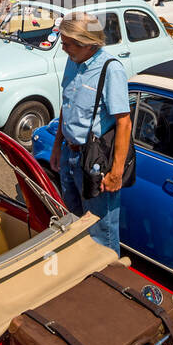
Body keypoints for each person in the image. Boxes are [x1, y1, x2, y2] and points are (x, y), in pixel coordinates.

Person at [48, 13, 132, 253]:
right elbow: (67, 105)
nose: (63, 48)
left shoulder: (110, 69)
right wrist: (57, 147)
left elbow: (124, 122)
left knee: (101, 233)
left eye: (67, 44)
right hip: (69, 155)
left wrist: (116, 173)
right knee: (73, 225)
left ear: (88, 43)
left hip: (94, 163)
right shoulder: (73, 60)